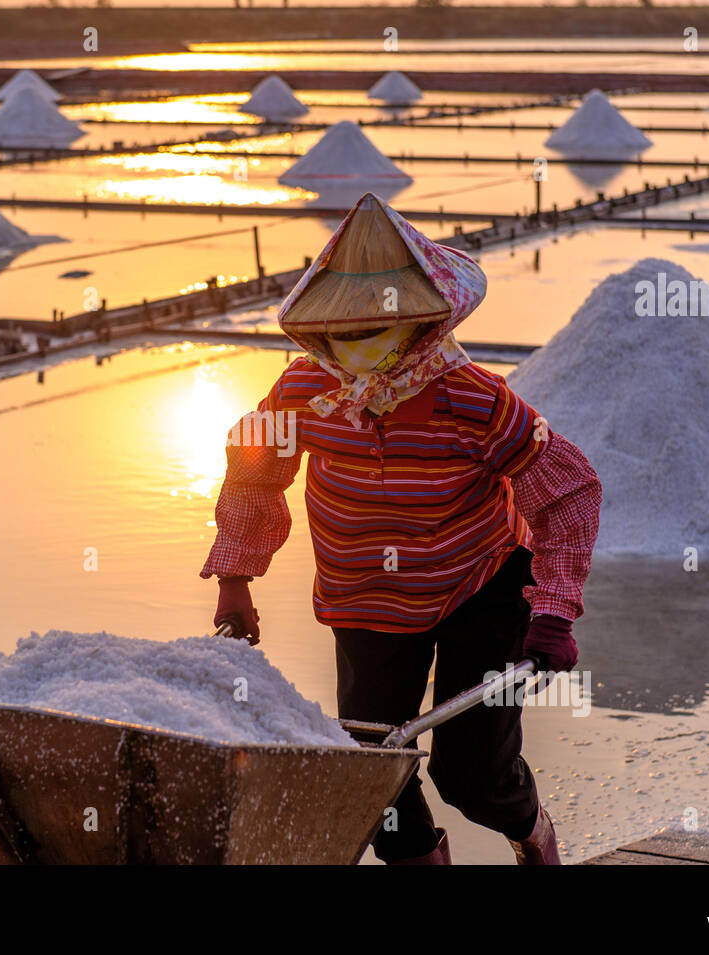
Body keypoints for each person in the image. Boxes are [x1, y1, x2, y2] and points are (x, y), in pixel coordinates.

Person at [201, 193, 602, 865]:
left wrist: (555, 610)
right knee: (371, 775)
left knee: (472, 773)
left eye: (375, 328)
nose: (356, 346)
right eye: (346, 329)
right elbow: (253, 470)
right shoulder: (303, 394)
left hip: (480, 584)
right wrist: (235, 578)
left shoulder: (475, 400)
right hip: (365, 596)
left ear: (421, 323)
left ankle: (533, 833)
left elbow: (568, 492)